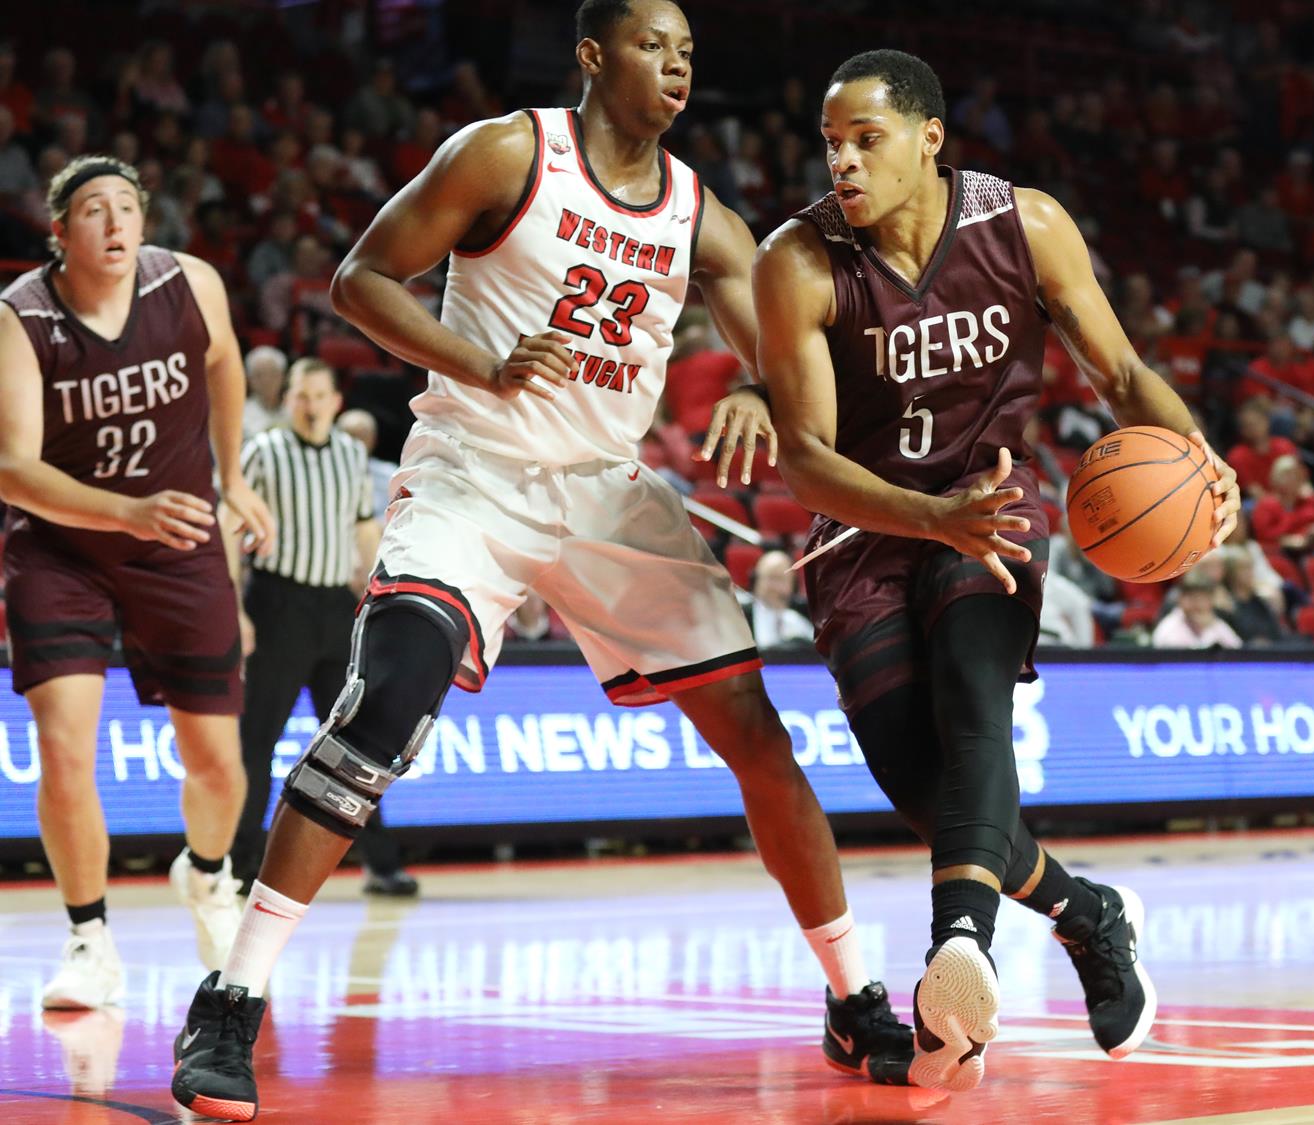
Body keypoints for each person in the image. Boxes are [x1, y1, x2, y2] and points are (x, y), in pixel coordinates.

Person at [169, 7, 914, 1118]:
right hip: (476, 473)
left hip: (609, 495)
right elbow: (363, 279)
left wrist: (758, 381)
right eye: (655, 45)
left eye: (689, 53)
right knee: (387, 706)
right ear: (592, 55)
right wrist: (481, 360)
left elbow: (773, 313)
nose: (677, 65)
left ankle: (853, 996)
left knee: (757, 737)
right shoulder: (507, 152)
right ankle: (231, 996)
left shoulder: (696, 206)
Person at [754, 48, 1240, 1090]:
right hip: (866, 532)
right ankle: (1089, 914)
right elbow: (803, 460)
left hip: (992, 505)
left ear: (929, 140)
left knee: (976, 711)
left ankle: (955, 953)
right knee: (925, 786)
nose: (841, 159)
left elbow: (1118, 373)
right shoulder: (795, 260)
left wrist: (1198, 459)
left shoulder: (1026, 224)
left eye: (865, 138)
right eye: (830, 142)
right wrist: (929, 516)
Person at [0, 155, 278, 1010]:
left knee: (221, 767)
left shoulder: (188, 284)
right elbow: (10, 468)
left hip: (178, 535)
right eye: (93, 210)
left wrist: (231, 476)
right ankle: (90, 940)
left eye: (128, 207)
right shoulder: (20, 317)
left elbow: (226, 362)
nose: (115, 223)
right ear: (60, 232)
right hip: (62, 546)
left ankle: (206, 874)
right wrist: (123, 512)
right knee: (65, 744)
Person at [232, 358, 417, 897]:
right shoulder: (263, 452)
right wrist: (236, 608)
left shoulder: (348, 455)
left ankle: (382, 863)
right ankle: (242, 867)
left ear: (337, 401)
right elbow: (229, 528)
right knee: (256, 743)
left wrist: (373, 596)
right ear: (287, 400)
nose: (310, 404)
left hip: (334, 607)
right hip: (276, 605)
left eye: (319, 394)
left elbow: (363, 530)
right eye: (300, 394)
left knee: (354, 745)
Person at [744, 548, 815, 648]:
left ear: (792, 585)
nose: (775, 587)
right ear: (756, 581)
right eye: (771, 578)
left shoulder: (799, 618)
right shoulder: (740, 617)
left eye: (781, 579)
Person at [240, 344, 285, 438]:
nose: (266, 380)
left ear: (282, 377)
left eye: (272, 373)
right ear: (249, 380)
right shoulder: (239, 414)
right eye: (259, 375)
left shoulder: (295, 409)